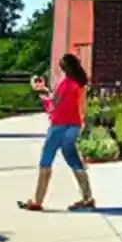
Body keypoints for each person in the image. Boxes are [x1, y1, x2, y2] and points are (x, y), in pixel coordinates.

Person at [18, 53, 95, 211]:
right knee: (73, 159)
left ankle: (37, 200)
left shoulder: (64, 83)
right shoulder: (80, 84)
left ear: (64, 68)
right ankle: (87, 197)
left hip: (59, 125)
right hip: (74, 125)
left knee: (46, 159)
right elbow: (81, 106)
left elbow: (55, 102)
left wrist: (42, 92)